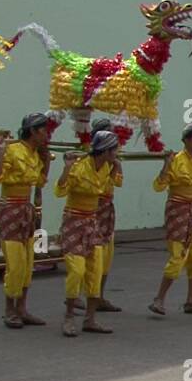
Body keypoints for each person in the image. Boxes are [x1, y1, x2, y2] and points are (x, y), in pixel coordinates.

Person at [55, 131, 121, 337]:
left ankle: (90, 319)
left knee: (95, 269)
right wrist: (66, 169)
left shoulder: (106, 168)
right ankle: (68, 317)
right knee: (77, 270)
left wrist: (117, 168)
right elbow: (60, 191)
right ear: (105, 150)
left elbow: (112, 186)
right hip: (74, 221)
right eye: (114, 150)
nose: (117, 153)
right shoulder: (79, 166)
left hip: (93, 221)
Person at [0, 113, 51, 329]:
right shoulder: (13, 149)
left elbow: (41, 181)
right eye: (43, 130)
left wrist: (45, 158)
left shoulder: (35, 153)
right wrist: (1, 153)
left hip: (26, 209)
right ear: (33, 131)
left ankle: (22, 308)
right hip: (10, 209)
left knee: (27, 263)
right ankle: (9, 309)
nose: (47, 134)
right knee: (15, 263)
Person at [149, 124, 192, 316]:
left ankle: (191, 301)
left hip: (191, 210)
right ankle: (159, 299)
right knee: (178, 256)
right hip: (177, 209)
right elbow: (158, 187)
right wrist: (166, 166)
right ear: (186, 141)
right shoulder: (175, 160)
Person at [89, 118, 123, 313]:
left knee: (107, 257)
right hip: (92, 210)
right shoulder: (90, 162)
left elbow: (117, 184)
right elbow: (99, 187)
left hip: (108, 210)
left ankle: (100, 296)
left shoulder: (111, 162)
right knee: (90, 257)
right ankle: (77, 296)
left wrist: (116, 167)